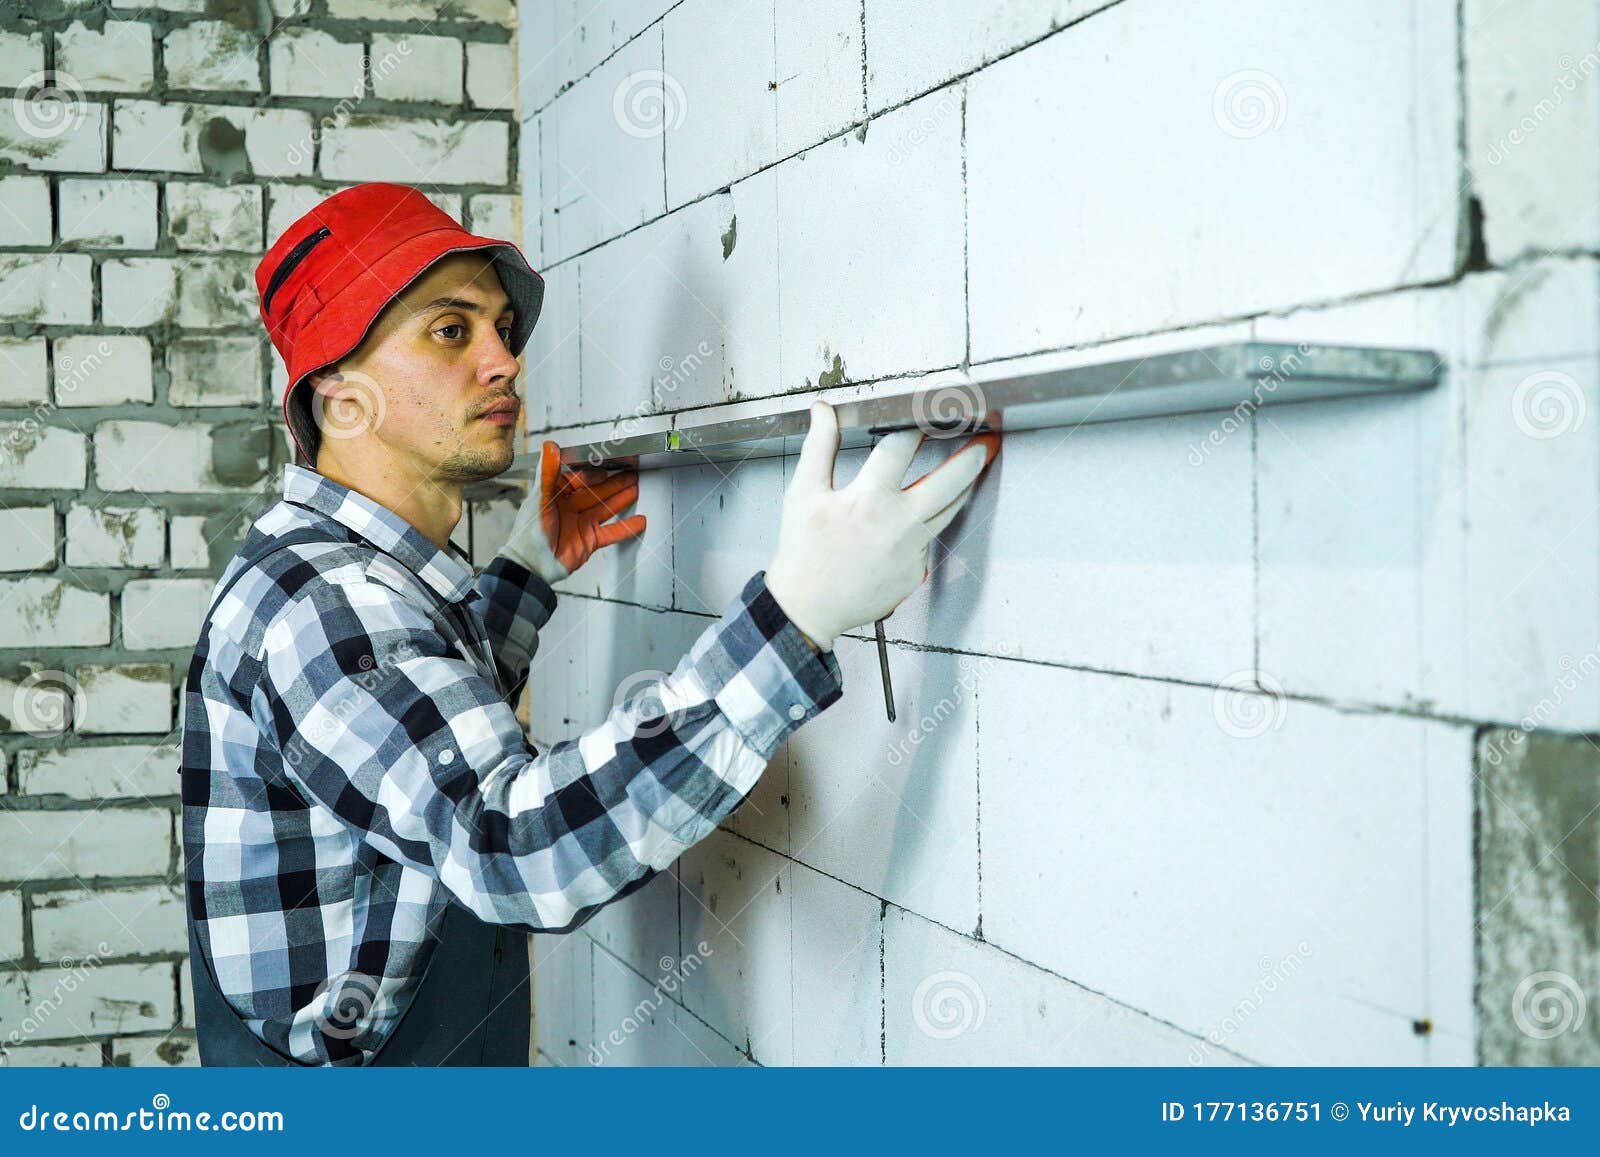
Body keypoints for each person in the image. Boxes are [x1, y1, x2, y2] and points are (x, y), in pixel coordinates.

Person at [180, 182, 999, 1066]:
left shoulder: (344, 572)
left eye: (501, 329)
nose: (503, 360)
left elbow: (409, 731)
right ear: (342, 402)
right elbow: (509, 846)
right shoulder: (327, 606)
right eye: (451, 331)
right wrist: (794, 616)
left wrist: (527, 571)